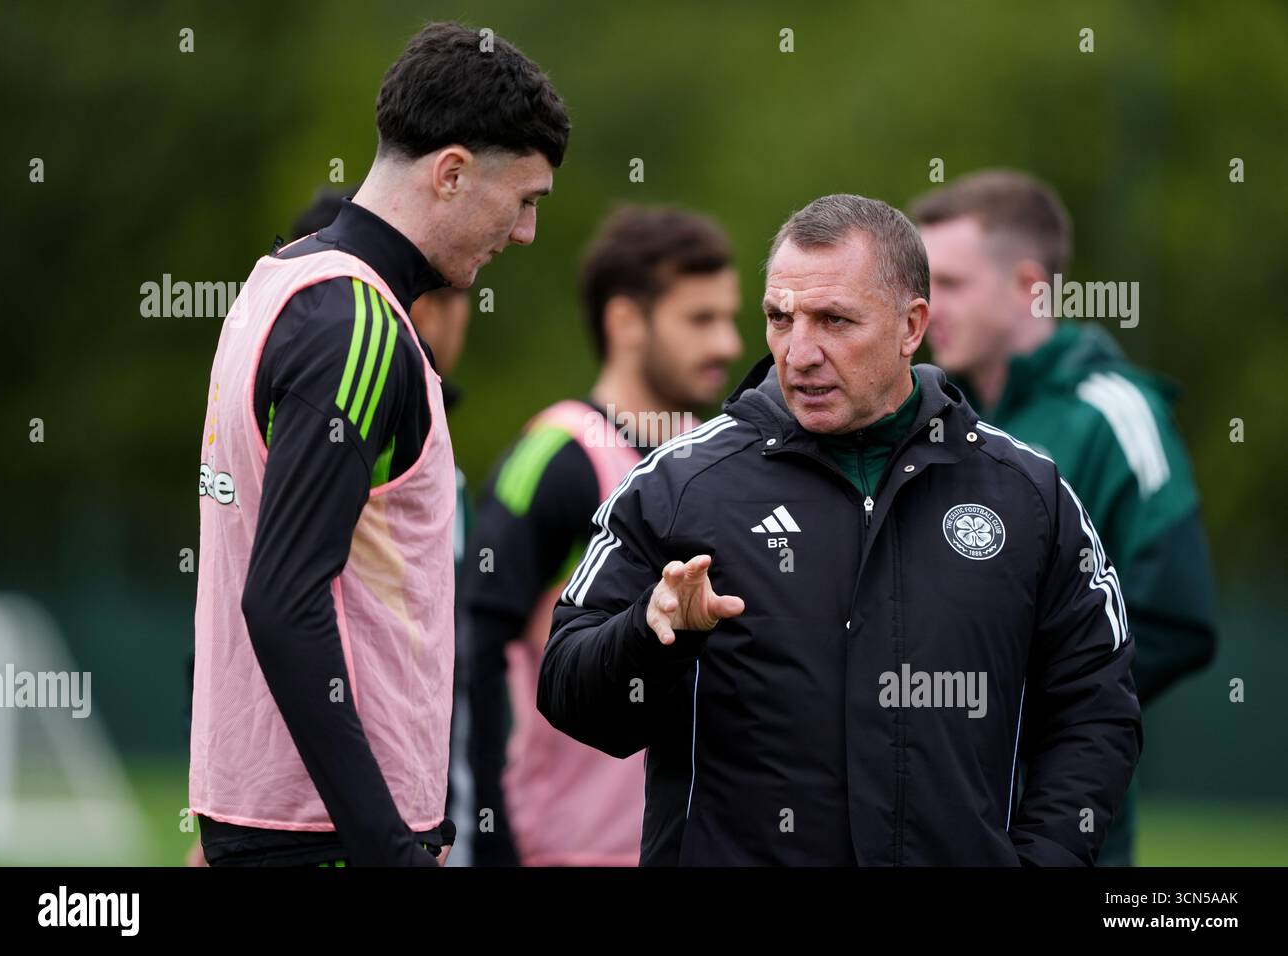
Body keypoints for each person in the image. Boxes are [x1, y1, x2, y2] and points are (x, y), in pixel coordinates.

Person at [538, 194, 1141, 866]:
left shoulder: (1026, 494)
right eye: (779, 318)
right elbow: (569, 695)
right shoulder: (677, 487)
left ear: (912, 326)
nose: (799, 353)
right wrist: (650, 636)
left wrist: (1048, 858)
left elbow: (1096, 706)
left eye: (833, 320)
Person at [188, 21, 569, 867]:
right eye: (526, 200)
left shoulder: (280, 281)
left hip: (284, 824)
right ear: (453, 172)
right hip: (324, 838)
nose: (526, 233)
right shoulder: (357, 324)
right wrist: (388, 848)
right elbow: (282, 598)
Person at [910, 169, 1217, 865]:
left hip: (1067, 835)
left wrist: (1010, 706)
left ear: (1027, 286)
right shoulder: (927, 422)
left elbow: (1177, 617)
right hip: (935, 826)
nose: (927, 309)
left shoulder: (1113, 415)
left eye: (951, 285)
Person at [463, 206, 742, 866]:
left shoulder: (728, 466)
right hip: (566, 851)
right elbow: (472, 653)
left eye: (730, 318)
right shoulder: (558, 455)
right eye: (700, 319)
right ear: (625, 322)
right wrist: (489, 840)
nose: (729, 344)